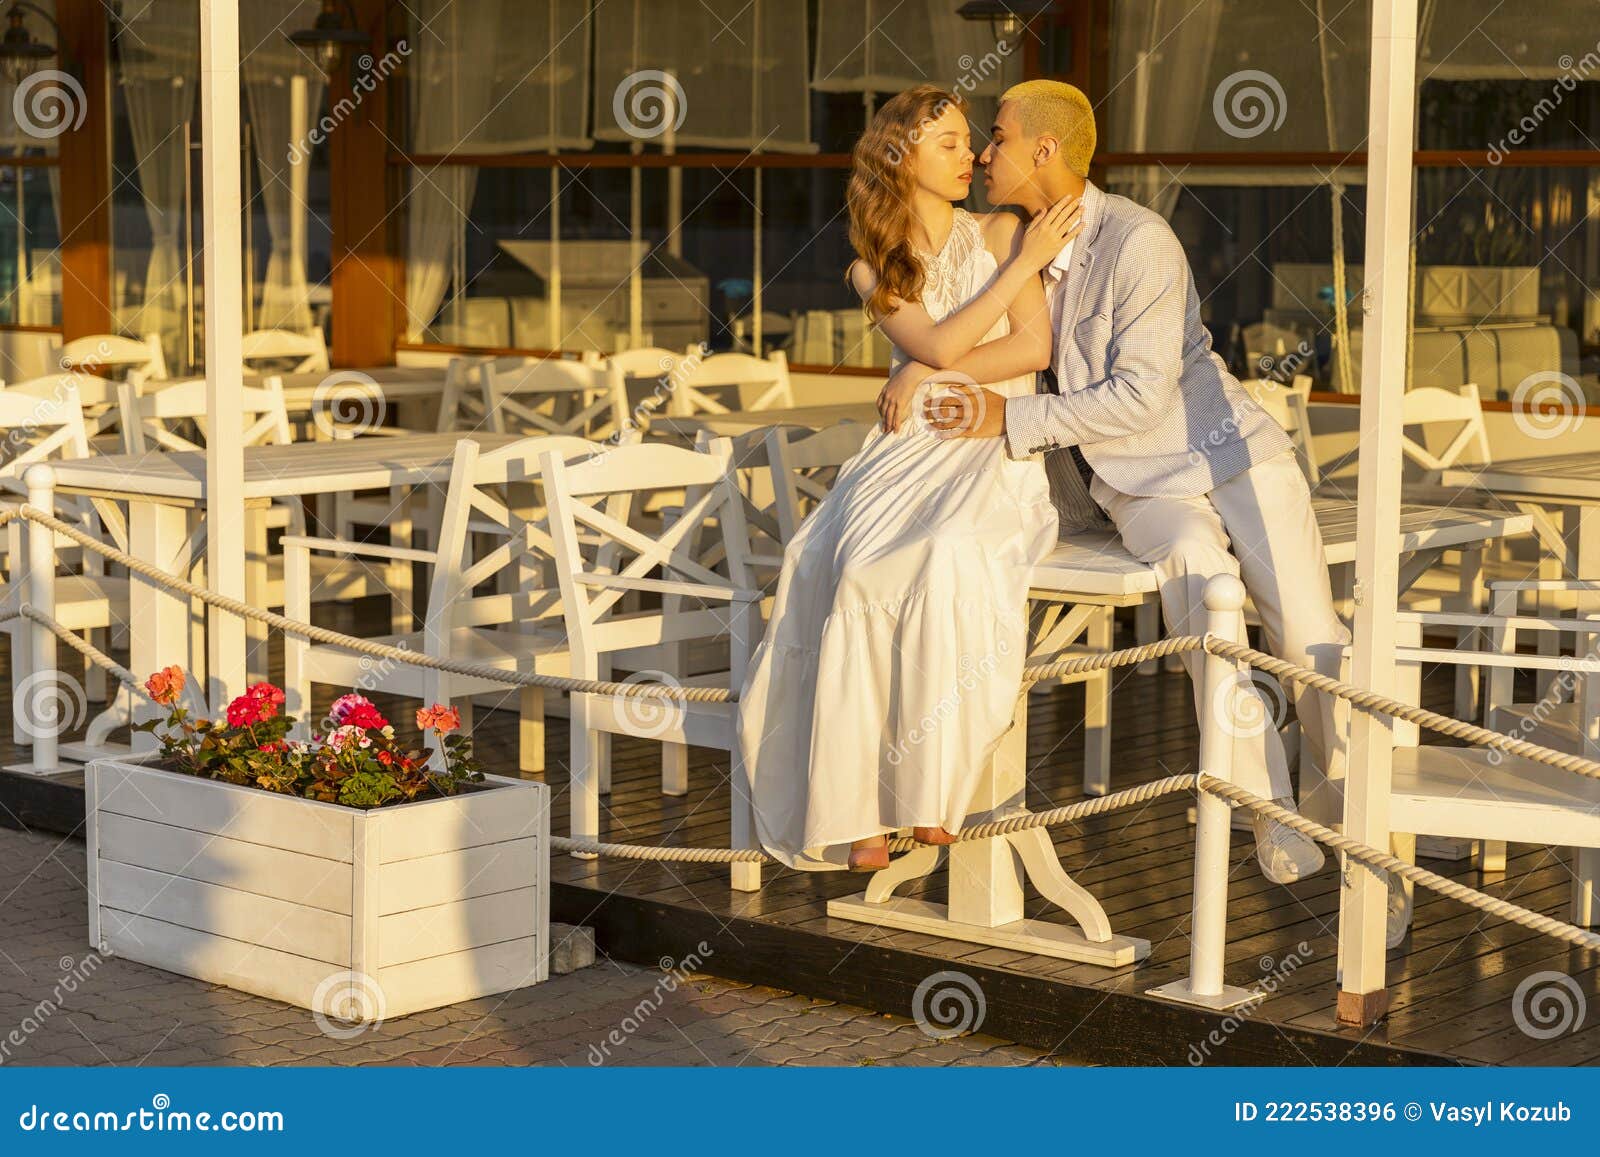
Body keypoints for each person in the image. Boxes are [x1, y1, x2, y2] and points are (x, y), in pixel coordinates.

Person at [906, 81, 1382, 922]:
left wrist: (1009, 418)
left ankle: (1361, 842)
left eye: (999, 138)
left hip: (1231, 455)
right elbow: (959, 332)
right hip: (1134, 484)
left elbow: (1137, 393)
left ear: (1044, 152)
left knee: (1308, 638)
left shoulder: (1139, 239)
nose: (983, 153)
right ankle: (1270, 814)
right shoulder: (1003, 245)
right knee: (1203, 596)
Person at [736, 84, 1081, 872]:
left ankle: (929, 787)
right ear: (903, 157)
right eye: (951, 143)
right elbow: (935, 336)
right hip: (905, 451)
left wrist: (927, 377)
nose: (972, 156)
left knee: (951, 551)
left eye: (970, 140)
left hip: (989, 437)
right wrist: (932, 365)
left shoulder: (1001, 230)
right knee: (850, 572)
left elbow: (1033, 350)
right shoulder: (873, 269)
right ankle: (856, 806)